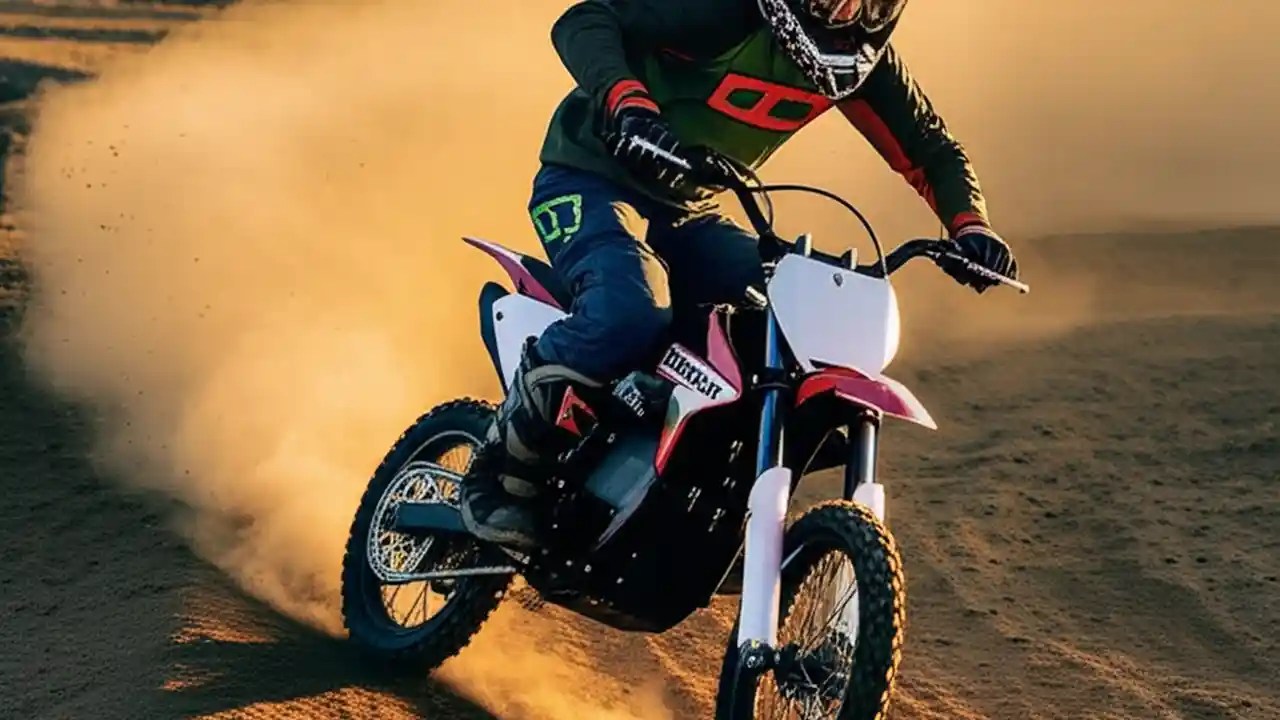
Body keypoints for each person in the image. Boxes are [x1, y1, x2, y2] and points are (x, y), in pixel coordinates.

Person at [460, 0, 1020, 548]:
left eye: (867, 3)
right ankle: (497, 468)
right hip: (592, 179)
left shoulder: (862, 67)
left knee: (788, 323)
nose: (849, 11)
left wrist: (973, 226)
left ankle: (694, 492)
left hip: (690, 214)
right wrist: (631, 108)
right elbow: (584, 19)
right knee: (628, 313)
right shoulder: (728, 11)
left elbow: (930, 147)